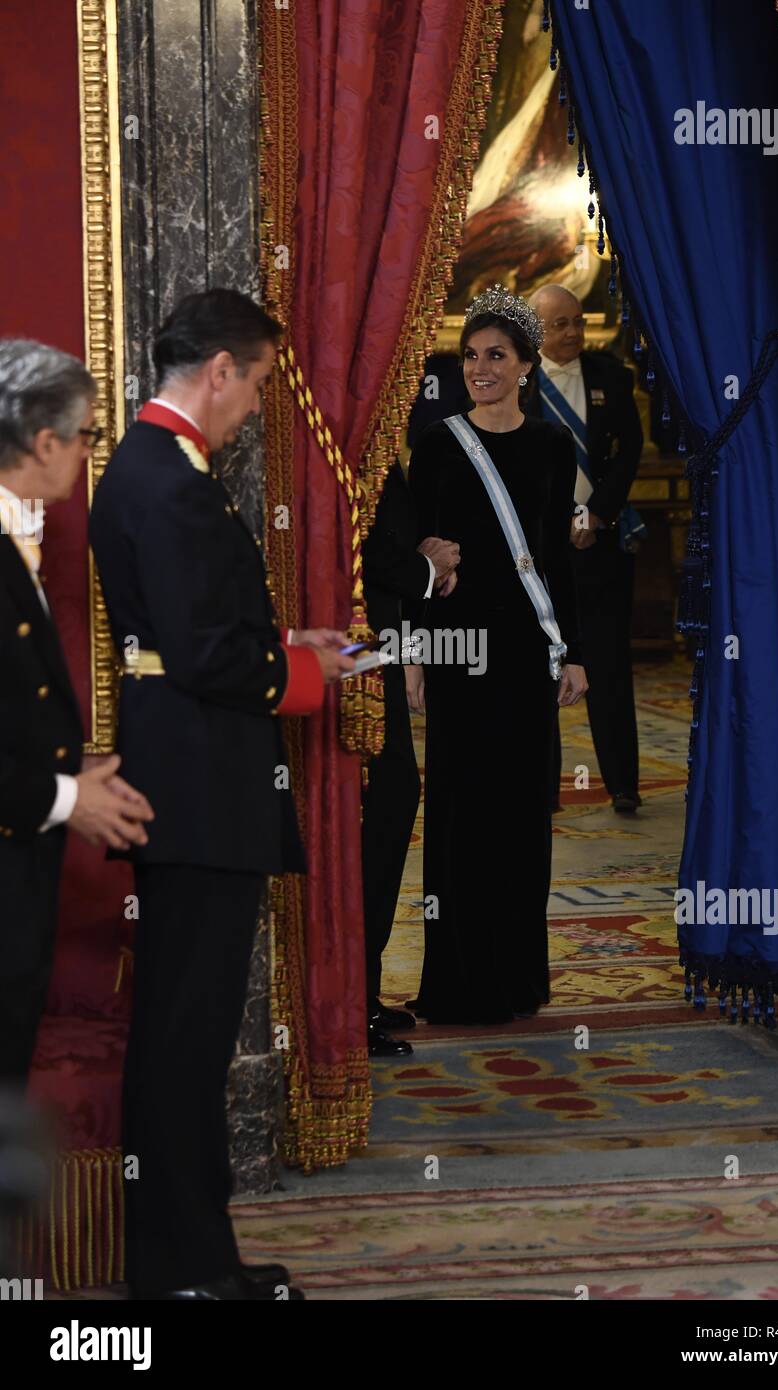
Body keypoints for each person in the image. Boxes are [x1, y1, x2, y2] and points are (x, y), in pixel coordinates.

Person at [89, 289, 355, 1302]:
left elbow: (188, 634)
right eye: (255, 387)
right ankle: (186, 1272)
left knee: (181, 1037)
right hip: (200, 786)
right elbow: (203, 654)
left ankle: (191, 1260)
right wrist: (302, 679)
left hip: (191, 778)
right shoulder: (169, 482)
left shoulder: (159, 470)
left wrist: (295, 646)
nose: (254, 409)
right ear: (218, 373)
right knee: (182, 1042)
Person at [405, 285, 587, 1025]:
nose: (480, 368)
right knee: (458, 815)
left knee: (519, 817)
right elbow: (414, 556)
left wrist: (572, 653)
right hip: (457, 654)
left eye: (496, 356)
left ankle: (517, 978)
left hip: (523, 656)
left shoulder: (549, 446)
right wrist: (413, 651)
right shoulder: (437, 444)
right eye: (471, 356)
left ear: (524, 365)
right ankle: (457, 983)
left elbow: (556, 562)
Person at [0, 340, 154, 1085]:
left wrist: (71, 767)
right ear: (44, 440)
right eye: (89, 434)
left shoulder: (16, 532)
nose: (91, 452)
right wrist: (68, 798)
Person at [526, 284, 644, 814]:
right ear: (534, 331)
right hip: (539, 555)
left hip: (598, 545)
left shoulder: (611, 379)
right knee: (538, 672)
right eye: (559, 325)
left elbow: (629, 452)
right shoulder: (516, 384)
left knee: (608, 667)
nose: (573, 332)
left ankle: (623, 784)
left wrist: (595, 513)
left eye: (577, 321)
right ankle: (542, 787)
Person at [361, 461, 459, 1056]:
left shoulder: (375, 436)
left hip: (382, 650)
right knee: (377, 816)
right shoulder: (345, 440)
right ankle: (347, 998)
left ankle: (359, 992)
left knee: (391, 808)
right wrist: (425, 569)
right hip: (353, 659)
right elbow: (360, 551)